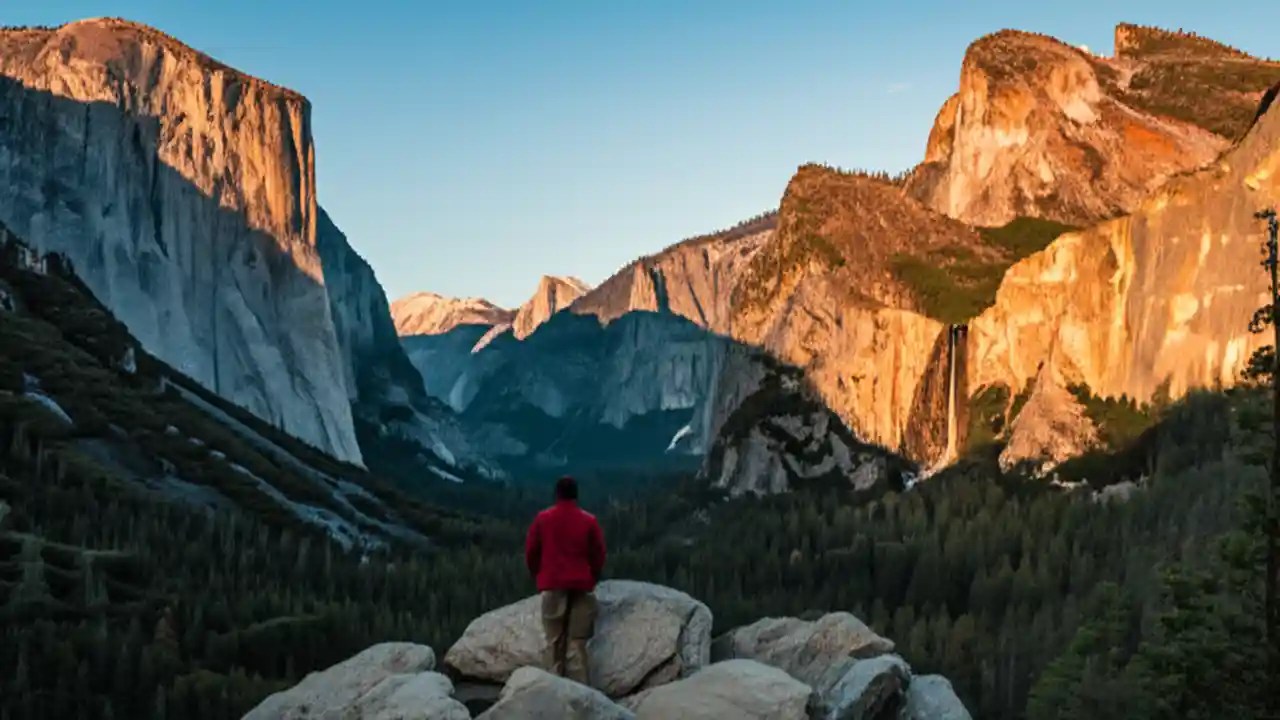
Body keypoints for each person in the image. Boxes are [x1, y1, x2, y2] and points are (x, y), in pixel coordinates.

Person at [524, 475, 606, 684]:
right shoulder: (589, 521)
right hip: (581, 585)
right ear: (576, 495)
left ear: (557, 494)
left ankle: (555, 689)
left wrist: (539, 575)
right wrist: (592, 577)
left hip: (552, 584)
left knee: (554, 643)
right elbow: (599, 554)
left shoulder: (543, 519)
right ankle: (582, 693)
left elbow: (531, 551)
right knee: (577, 643)